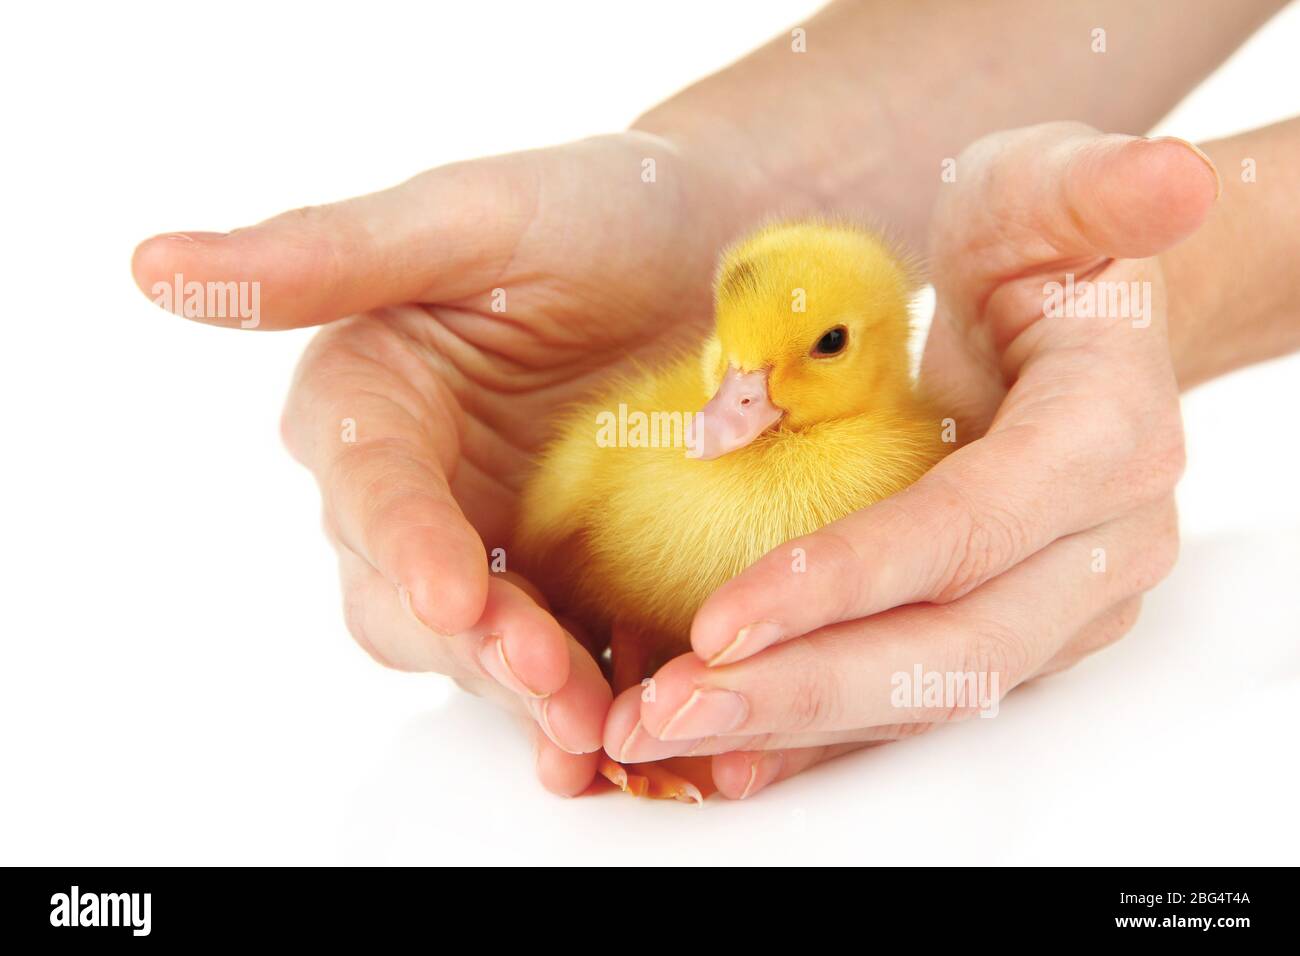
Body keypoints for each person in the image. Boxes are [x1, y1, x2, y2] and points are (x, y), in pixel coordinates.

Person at [131, 0, 1300, 799]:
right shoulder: (680, 426)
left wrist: (1160, 279)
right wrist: (728, 174)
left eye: (815, 353)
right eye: (739, 367)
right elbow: (563, 510)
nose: (743, 400)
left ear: (880, 345)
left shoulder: (899, 448)